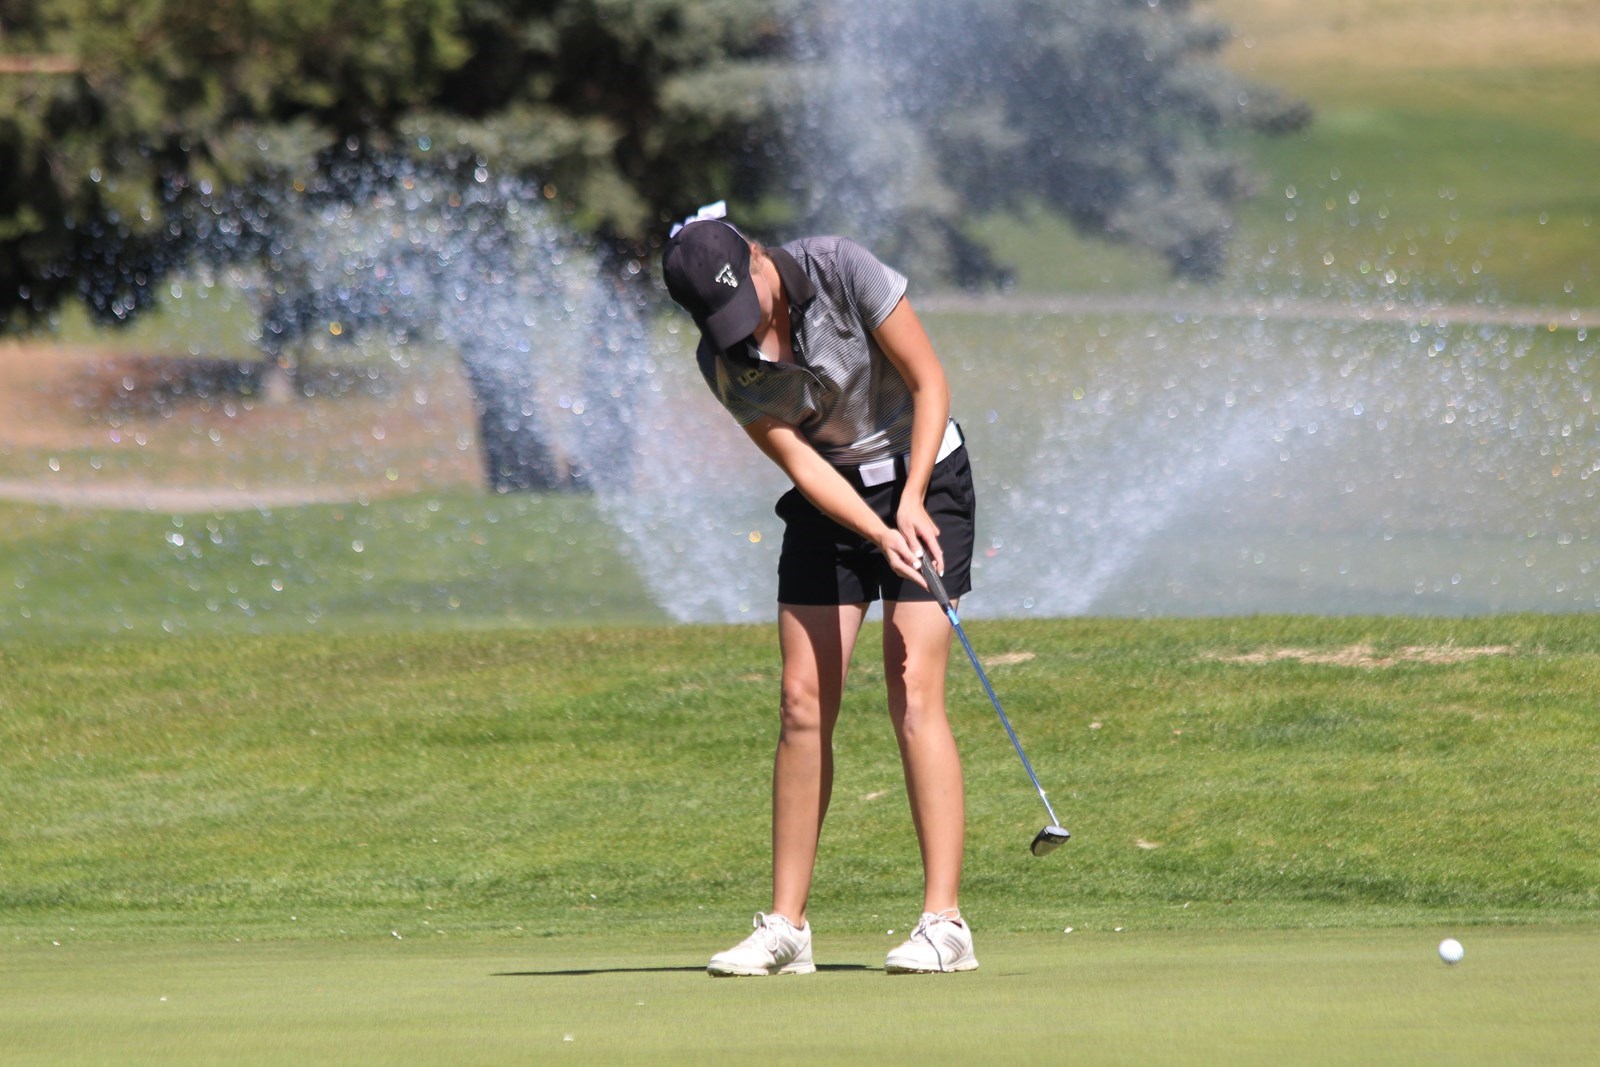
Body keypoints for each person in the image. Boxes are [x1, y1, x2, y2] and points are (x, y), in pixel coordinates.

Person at [660, 202, 980, 976]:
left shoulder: (842, 266)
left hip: (925, 477)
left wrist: (907, 504)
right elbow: (801, 464)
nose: (747, 325)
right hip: (831, 502)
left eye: (750, 299)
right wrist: (874, 532)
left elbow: (930, 381)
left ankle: (945, 924)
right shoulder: (723, 359)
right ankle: (787, 928)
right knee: (802, 701)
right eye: (724, 319)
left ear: (761, 258)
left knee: (913, 687)